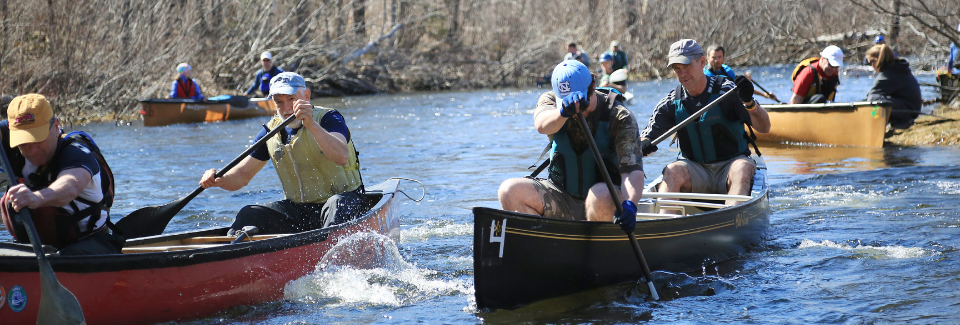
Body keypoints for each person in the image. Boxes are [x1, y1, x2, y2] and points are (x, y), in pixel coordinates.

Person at [198, 72, 367, 235]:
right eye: (279, 102)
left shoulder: (329, 118)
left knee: (337, 205)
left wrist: (311, 125)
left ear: (306, 96)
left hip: (346, 202)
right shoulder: (270, 132)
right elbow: (242, 175)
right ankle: (232, 251)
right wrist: (219, 179)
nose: (286, 108)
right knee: (248, 214)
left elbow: (341, 156)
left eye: (291, 99)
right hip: (301, 211)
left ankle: (327, 248)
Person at [498, 60, 645, 232]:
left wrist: (630, 204)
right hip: (562, 196)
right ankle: (542, 239)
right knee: (508, 190)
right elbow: (541, 125)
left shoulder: (619, 116)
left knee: (599, 195)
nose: (577, 110)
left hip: (606, 200)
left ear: (593, 85)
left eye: (582, 102)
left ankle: (599, 240)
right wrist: (563, 112)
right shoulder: (551, 101)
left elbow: (632, 171)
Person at [639, 39, 771, 206]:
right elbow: (646, 136)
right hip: (694, 169)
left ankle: (731, 215)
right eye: (677, 68)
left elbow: (764, 127)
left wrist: (749, 102)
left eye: (687, 66)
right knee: (672, 171)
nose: (682, 73)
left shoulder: (728, 91)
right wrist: (643, 144)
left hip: (731, 165)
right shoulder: (671, 102)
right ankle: (667, 220)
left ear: (702, 62)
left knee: (741, 169)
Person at [0, 94, 122, 255]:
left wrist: (37, 198)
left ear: (56, 126)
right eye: (23, 142)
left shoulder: (77, 154)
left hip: (90, 246)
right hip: (34, 250)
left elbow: (70, 185)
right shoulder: (10, 141)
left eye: (38, 138)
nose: (32, 150)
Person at [864, 44, 922, 129]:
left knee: (874, 99)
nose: (871, 66)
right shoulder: (897, 67)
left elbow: (872, 97)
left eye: (870, 62)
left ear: (876, 60)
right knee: (874, 98)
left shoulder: (889, 74)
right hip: (912, 108)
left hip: (909, 111)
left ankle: (874, 127)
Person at [703, 45, 778, 102]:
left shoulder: (727, 70)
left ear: (723, 58)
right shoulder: (704, 74)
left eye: (719, 57)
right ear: (708, 58)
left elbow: (739, 86)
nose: (716, 60)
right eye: (714, 57)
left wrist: (764, 94)